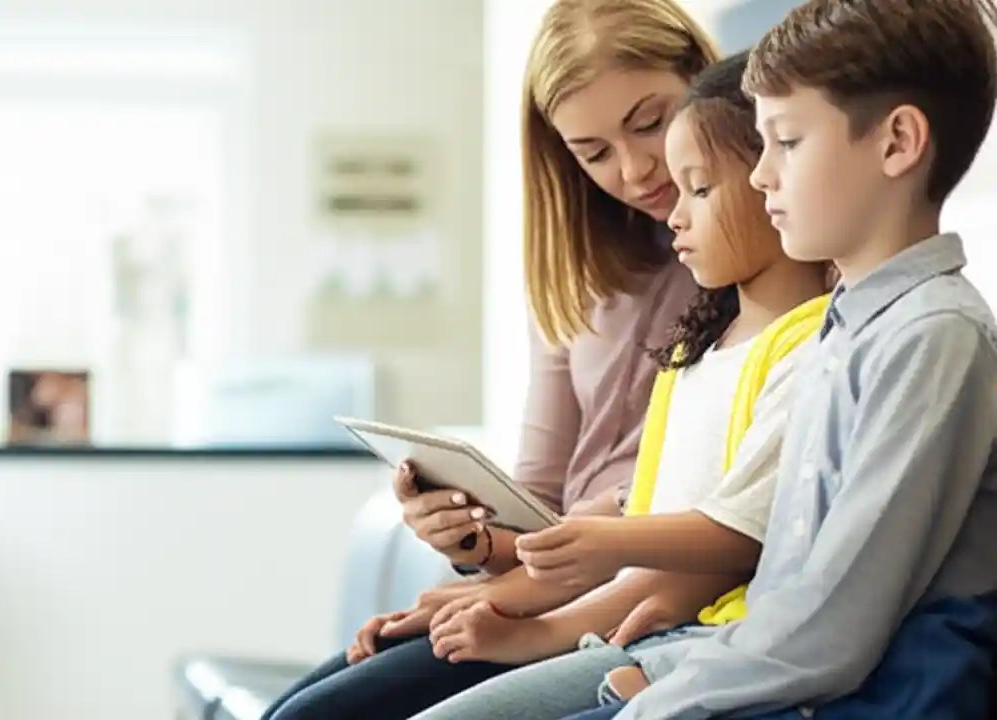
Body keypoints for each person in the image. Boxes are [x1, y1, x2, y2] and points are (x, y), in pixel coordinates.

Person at [260, 2, 715, 718]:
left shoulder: (757, 253)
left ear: (703, 79)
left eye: (650, 122)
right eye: (593, 152)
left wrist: (506, 592)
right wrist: (475, 543)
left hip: (631, 593)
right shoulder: (576, 273)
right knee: (298, 708)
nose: (633, 170)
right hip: (560, 577)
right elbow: (541, 506)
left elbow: (716, 487)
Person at [558, 0, 997, 717]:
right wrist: (678, 671)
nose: (760, 178)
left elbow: (831, 634)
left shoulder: (932, 338)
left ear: (897, 143)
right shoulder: (844, 324)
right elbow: (785, 600)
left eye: (785, 142)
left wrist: (667, 700)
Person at [406, 49, 827, 720]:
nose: (647, 186)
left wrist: (529, 616)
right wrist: (484, 559)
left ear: (772, 179)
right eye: (594, 152)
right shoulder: (695, 352)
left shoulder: (813, 348)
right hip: (620, 613)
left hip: (687, 636)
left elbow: (725, 536)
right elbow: (631, 509)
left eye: (699, 186)